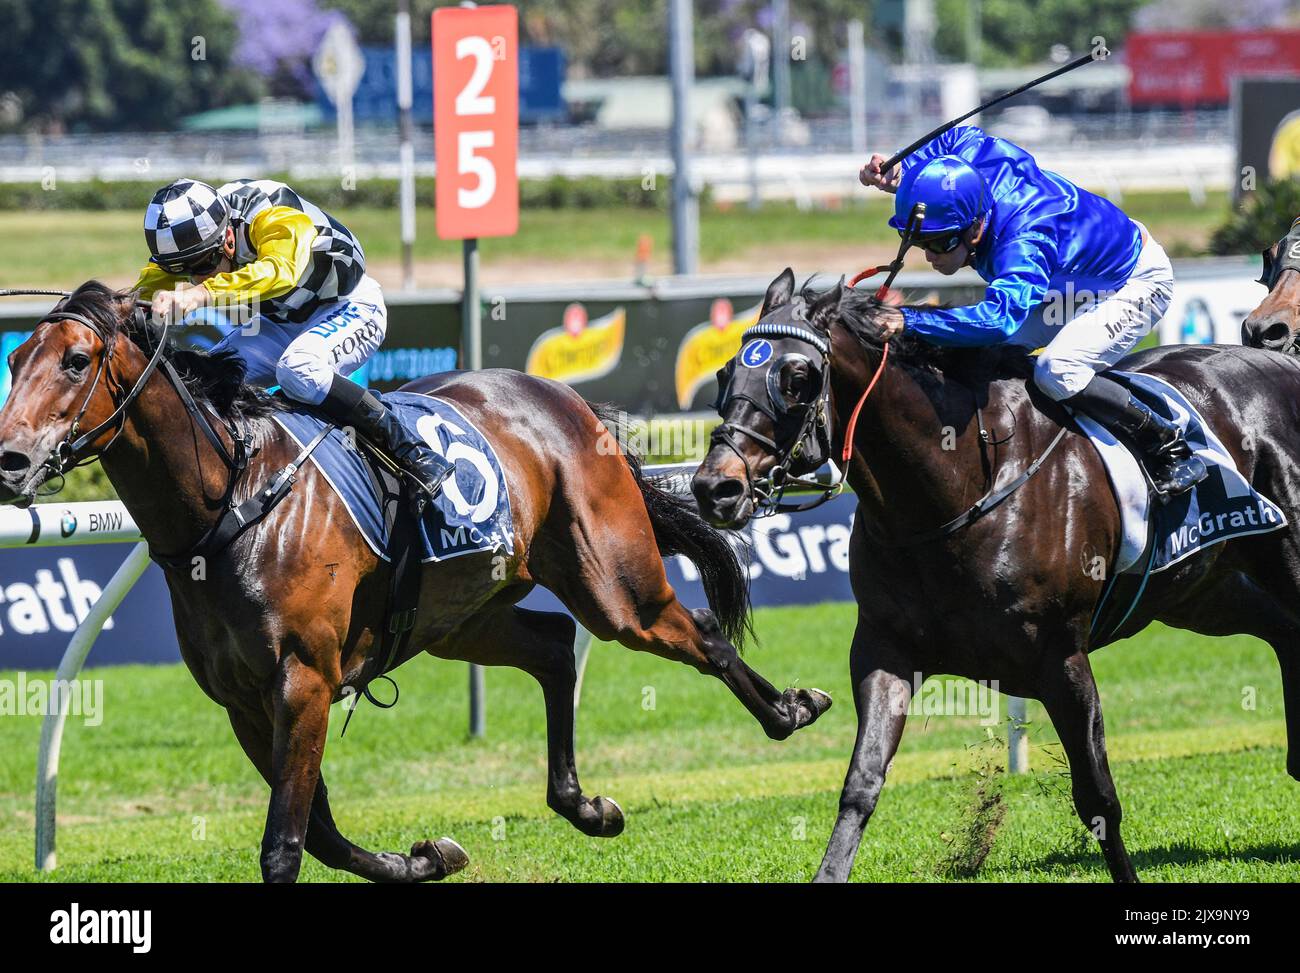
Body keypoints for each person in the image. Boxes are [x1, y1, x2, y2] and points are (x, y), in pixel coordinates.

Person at [859, 126, 1206, 497]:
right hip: (1067, 281)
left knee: (1057, 370)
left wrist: (909, 320)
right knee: (977, 355)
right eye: (918, 241)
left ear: (976, 228)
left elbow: (997, 319)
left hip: (1132, 283)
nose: (929, 255)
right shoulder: (976, 160)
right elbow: (954, 139)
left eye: (940, 242)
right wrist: (903, 169)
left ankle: (1167, 443)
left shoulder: (1024, 242)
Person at [131, 177, 453, 504]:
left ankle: (414, 454)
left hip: (350, 307)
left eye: (203, 265)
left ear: (227, 237)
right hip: (281, 321)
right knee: (202, 382)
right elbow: (140, 293)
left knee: (298, 368)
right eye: (183, 271)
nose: (197, 277)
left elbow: (280, 270)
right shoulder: (198, 238)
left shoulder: (271, 211)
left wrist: (203, 294)